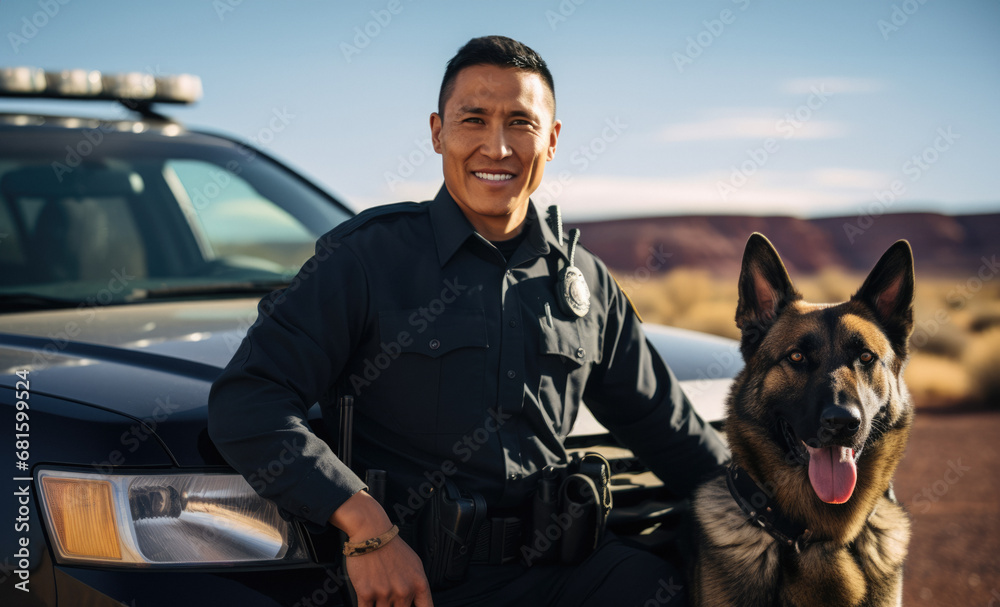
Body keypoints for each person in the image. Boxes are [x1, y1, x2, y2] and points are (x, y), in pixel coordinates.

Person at [208, 35, 729, 607]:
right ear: (438, 132)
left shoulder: (585, 280)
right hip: (420, 580)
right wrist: (365, 526)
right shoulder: (366, 259)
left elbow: (668, 431)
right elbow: (248, 401)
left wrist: (779, 511)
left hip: (568, 568)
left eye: (520, 123)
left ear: (552, 139)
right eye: (473, 120)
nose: (497, 147)